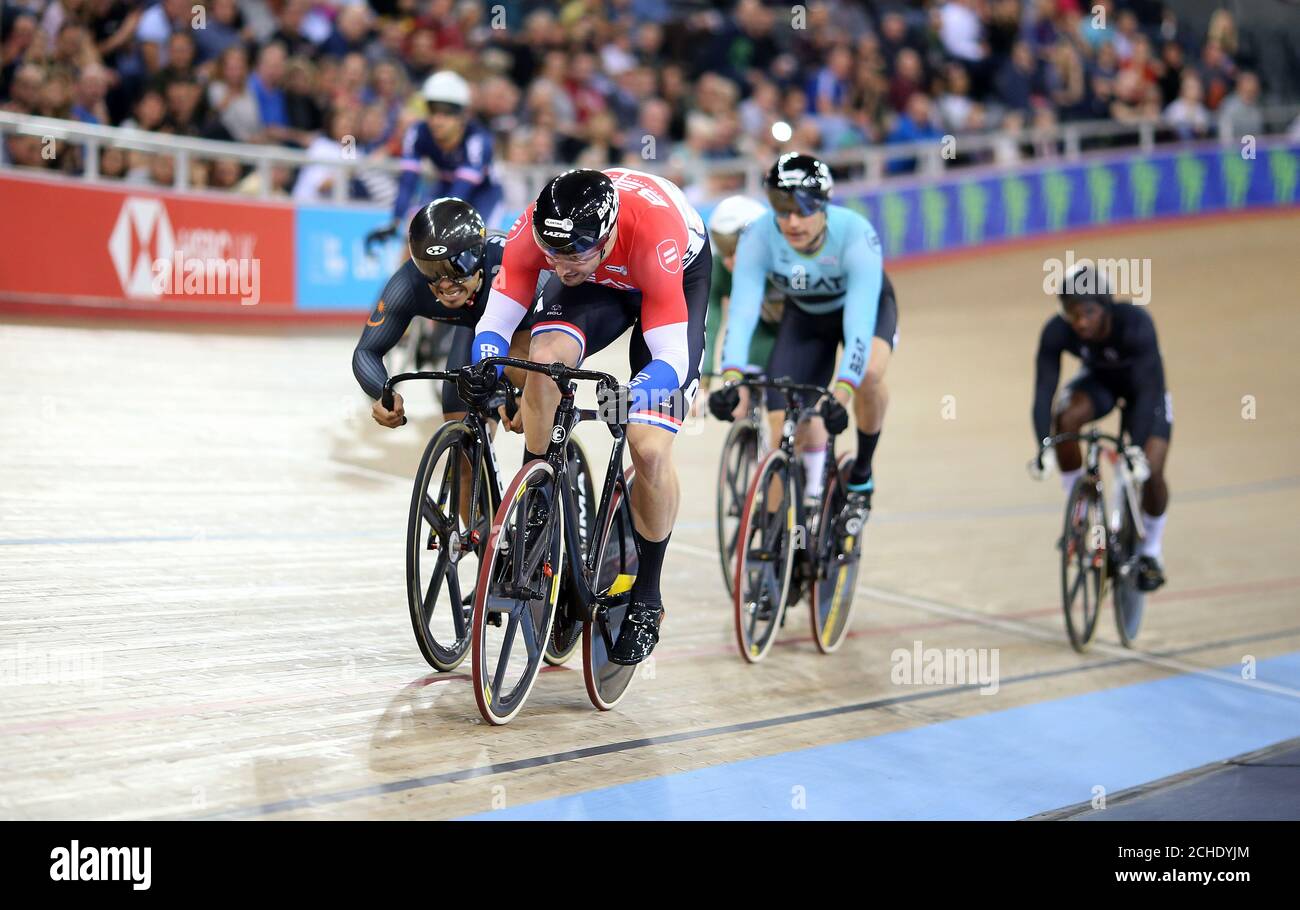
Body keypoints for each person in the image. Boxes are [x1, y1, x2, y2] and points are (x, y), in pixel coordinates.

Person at [463, 167, 711, 666]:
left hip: (670, 283)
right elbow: (498, 316)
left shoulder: (652, 232)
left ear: (608, 234)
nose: (558, 264)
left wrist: (635, 396)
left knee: (648, 445)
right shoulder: (542, 227)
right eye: (551, 254)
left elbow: (671, 356)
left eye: (572, 254)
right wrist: (486, 362)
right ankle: (535, 504)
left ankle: (647, 597)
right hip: (602, 281)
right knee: (542, 362)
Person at [709, 152, 898, 525]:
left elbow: (858, 324)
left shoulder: (856, 233)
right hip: (805, 319)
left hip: (865, 311)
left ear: (824, 204)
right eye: (782, 211)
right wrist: (730, 377)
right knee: (782, 421)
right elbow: (743, 313)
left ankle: (862, 473)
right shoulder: (758, 236)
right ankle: (785, 531)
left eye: (802, 211)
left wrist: (842, 393)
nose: (791, 222)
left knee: (869, 378)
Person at [1031, 261, 1171, 591]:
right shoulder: (1057, 331)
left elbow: (1150, 391)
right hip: (1100, 384)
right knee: (1065, 419)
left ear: (1106, 306)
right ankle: (1077, 508)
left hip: (1144, 392)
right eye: (1072, 313)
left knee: (1152, 469)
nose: (1080, 322)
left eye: (1089, 313)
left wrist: (1135, 448)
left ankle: (1152, 550)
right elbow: (1043, 392)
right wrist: (1044, 446)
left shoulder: (1136, 324)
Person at [353, 198, 533, 430]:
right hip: (471, 329)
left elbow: (549, 329)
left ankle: (546, 458)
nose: (445, 284)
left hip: (518, 329)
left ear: (478, 256)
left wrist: (528, 396)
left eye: (456, 267)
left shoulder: (507, 260)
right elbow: (367, 351)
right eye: (432, 269)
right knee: (459, 429)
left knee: (535, 409)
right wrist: (383, 394)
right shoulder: (408, 282)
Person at [364, 71, 502, 251]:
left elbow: (461, 192)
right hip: (444, 187)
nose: (437, 120)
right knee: (415, 236)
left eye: (447, 113)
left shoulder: (477, 140)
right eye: (432, 111)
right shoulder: (418, 132)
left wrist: (437, 226)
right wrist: (396, 220)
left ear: (462, 116)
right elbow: (408, 183)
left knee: (477, 248)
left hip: (482, 195)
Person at [699, 195, 782, 408]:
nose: (731, 261)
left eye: (736, 248)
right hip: (758, 331)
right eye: (724, 249)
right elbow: (709, 323)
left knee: (781, 403)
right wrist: (702, 382)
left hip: (791, 330)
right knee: (738, 404)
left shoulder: (784, 257)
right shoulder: (720, 266)